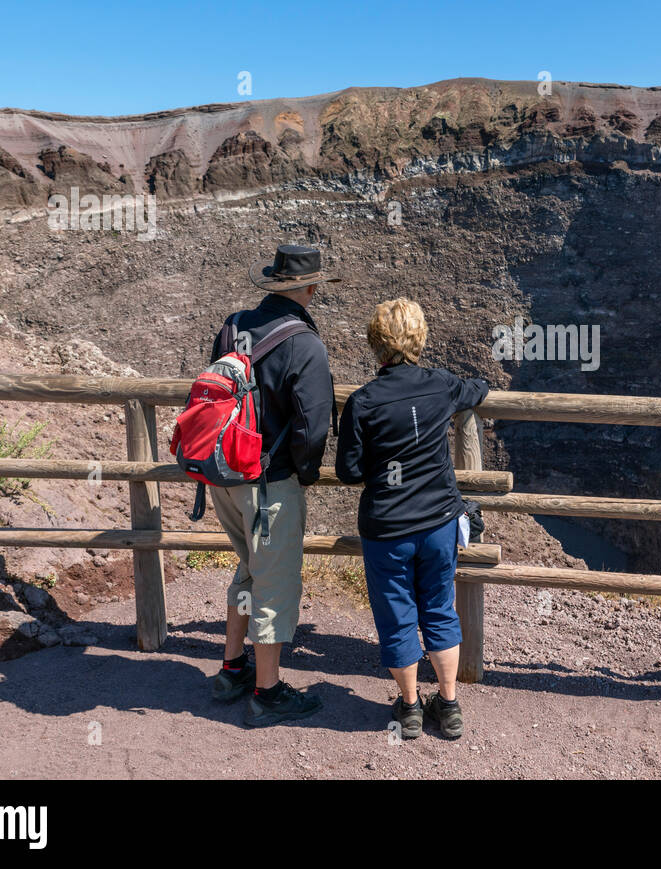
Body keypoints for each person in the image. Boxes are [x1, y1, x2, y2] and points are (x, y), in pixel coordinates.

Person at [335, 299, 489, 739]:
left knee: (398, 616)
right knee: (440, 610)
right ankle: (450, 703)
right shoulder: (441, 385)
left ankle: (409, 707)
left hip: (387, 530)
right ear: (419, 339)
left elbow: (348, 471)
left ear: (376, 343)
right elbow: (474, 390)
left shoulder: (363, 402)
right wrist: (476, 385)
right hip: (440, 523)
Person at [208, 244, 339, 728]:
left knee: (249, 570)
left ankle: (231, 669)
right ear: (308, 288)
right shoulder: (303, 343)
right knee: (275, 585)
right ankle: (267, 692)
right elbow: (313, 424)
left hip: (223, 475)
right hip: (267, 484)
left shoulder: (233, 324)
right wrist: (304, 474)